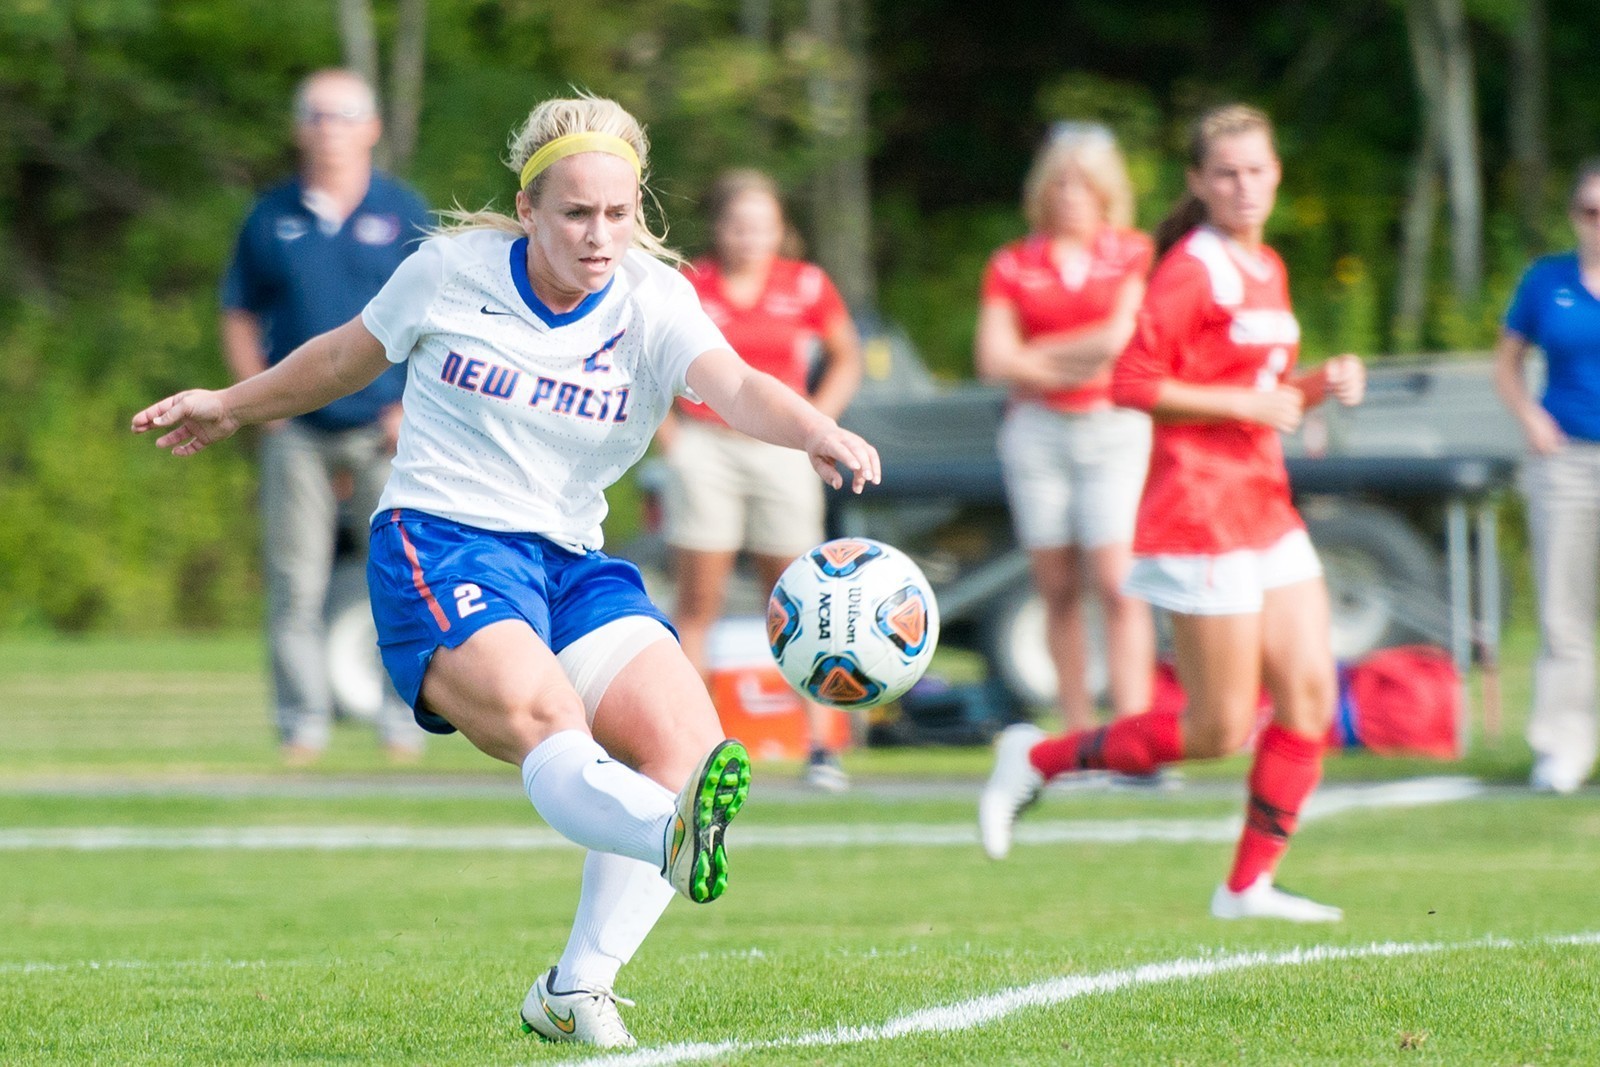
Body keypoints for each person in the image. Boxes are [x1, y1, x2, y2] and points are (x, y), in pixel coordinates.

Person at [135, 93, 881, 1048]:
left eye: (618, 213)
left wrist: (815, 428)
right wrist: (233, 404)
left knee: (689, 743)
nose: (599, 234)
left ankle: (578, 985)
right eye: (575, 213)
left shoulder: (653, 297)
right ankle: (670, 832)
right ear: (528, 208)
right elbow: (338, 360)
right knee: (548, 720)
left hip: (569, 556)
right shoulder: (450, 271)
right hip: (440, 541)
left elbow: (732, 383)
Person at [978, 104, 1366, 922]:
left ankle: (1247, 885)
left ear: (1276, 175)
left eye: (1257, 170)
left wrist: (1318, 383)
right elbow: (1133, 383)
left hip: (1265, 505)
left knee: (1308, 701)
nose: (1243, 186)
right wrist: (1254, 402)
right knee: (1218, 729)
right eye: (1225, 173)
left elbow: (1258, 397)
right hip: (1200, 512)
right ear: (1198, 181)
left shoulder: (1267, 266)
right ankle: (1037, 757)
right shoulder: (1192, 267)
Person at [221, 68, 432, 765]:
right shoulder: (270, 214)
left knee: (402, 576)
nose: (329, 128)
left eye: (343, 115)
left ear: (371, 127)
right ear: (298, 127)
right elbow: (239, 311)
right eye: (315, 115)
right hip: (298, 431)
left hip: (385, 428)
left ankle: (405, 720)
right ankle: (300, 722)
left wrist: (412, 403)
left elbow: (441, 318)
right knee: (295, 581)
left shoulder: (405, 212)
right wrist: (259, 398)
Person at [659, 169, 864, 792]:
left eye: (763, 225)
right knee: (700, 601)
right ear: (719, 228)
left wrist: (817, 422)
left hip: (780, 451)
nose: (750, 237)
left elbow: (846, 356)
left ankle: (821, 747)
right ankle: (692, 746)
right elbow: (652, 355)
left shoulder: (805, 283)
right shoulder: (692, 283)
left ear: (781, 230)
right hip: (707, 446)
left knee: (800, 598)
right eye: (738, 224)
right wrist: (670, 436)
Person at [974, 123, 1155, 733]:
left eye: (1084, 183)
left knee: (1118, 583)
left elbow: (1120, 340)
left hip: (1112, 425)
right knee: (1056, 588)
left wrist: (1039, 354)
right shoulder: (1013, 264)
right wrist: (1068, 358)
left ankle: (1131, 729)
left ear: (1106, 191)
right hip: (1037, 433)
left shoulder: (1131, 252)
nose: (1071, 194)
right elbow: (993, 359)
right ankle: (1077, 732)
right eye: (1060, 182)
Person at [1494, 158, 1600, 795]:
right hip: (1565, 460)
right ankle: (1563, 746)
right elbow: (1507, 364)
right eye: (1591, 210)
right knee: (1564, 611)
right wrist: (1529, 417)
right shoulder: (1547, 281)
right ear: (1574, 216)